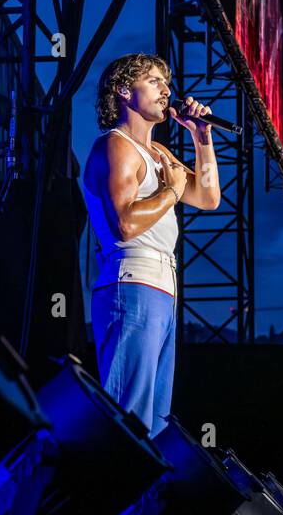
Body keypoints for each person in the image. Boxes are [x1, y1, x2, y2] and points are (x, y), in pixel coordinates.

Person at [82, 53, 222, 437]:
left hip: (162, 289)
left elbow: (209, 197)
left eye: (167, 82)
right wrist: (172, 191)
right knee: (128, 417)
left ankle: (140, 493)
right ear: (125, 91)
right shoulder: (115, 146)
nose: (167, 90)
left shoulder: (159, 154)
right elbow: (124, 224)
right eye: (155, 81)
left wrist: (201, 137)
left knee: (155, 426)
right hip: (132, 284)